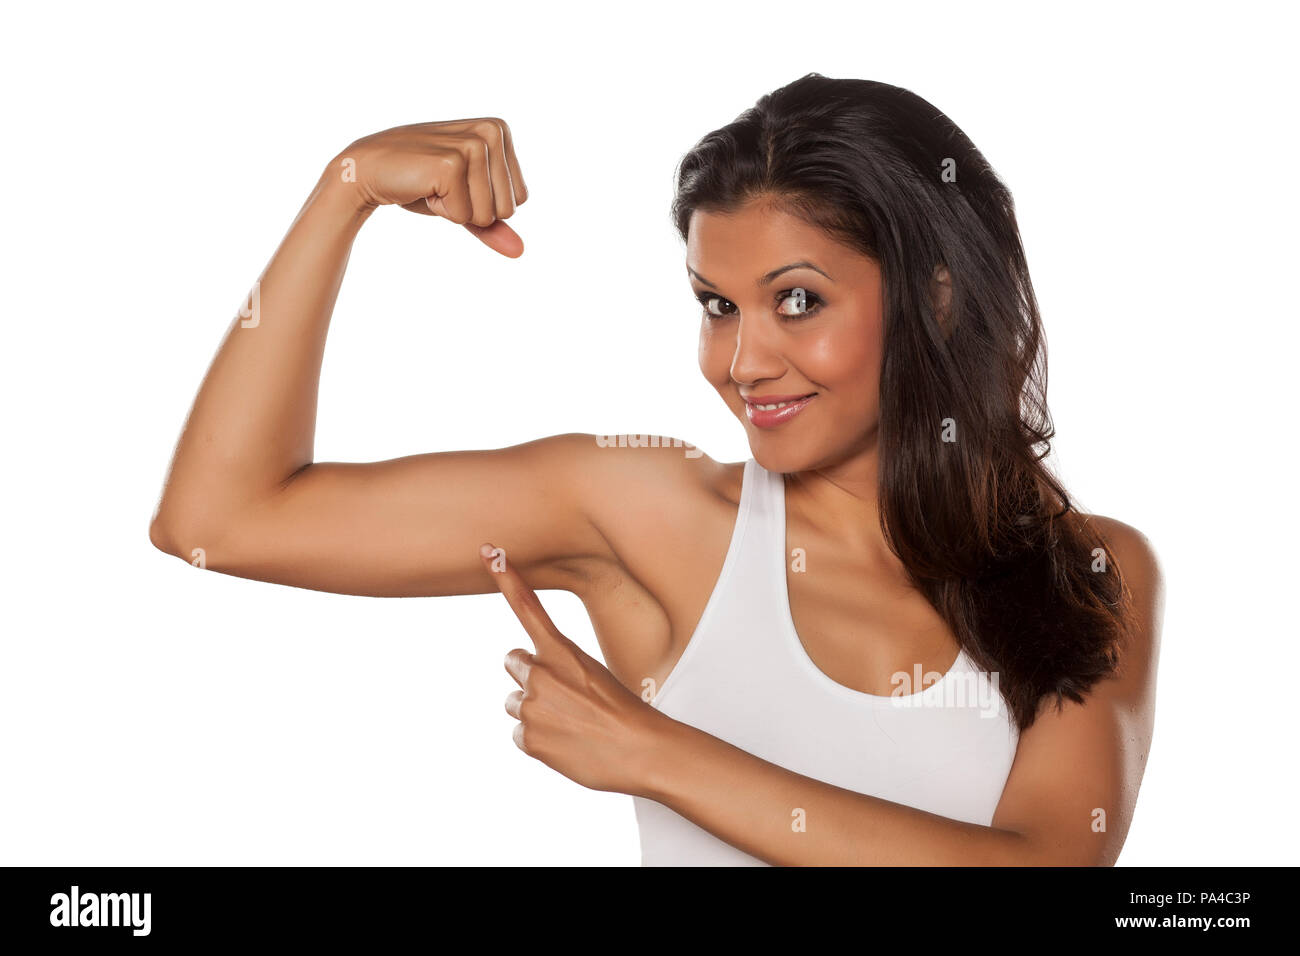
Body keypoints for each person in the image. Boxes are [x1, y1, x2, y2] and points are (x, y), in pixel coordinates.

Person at [150, 73, 1164, 866]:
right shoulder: (654, 514)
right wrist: (346, 190)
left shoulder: (1092, 567)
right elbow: (220, 518)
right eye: (717, 305)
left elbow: (1046, 863)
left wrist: (651, 753)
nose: (742, 361)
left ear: (935, 298)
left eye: (797, 300)